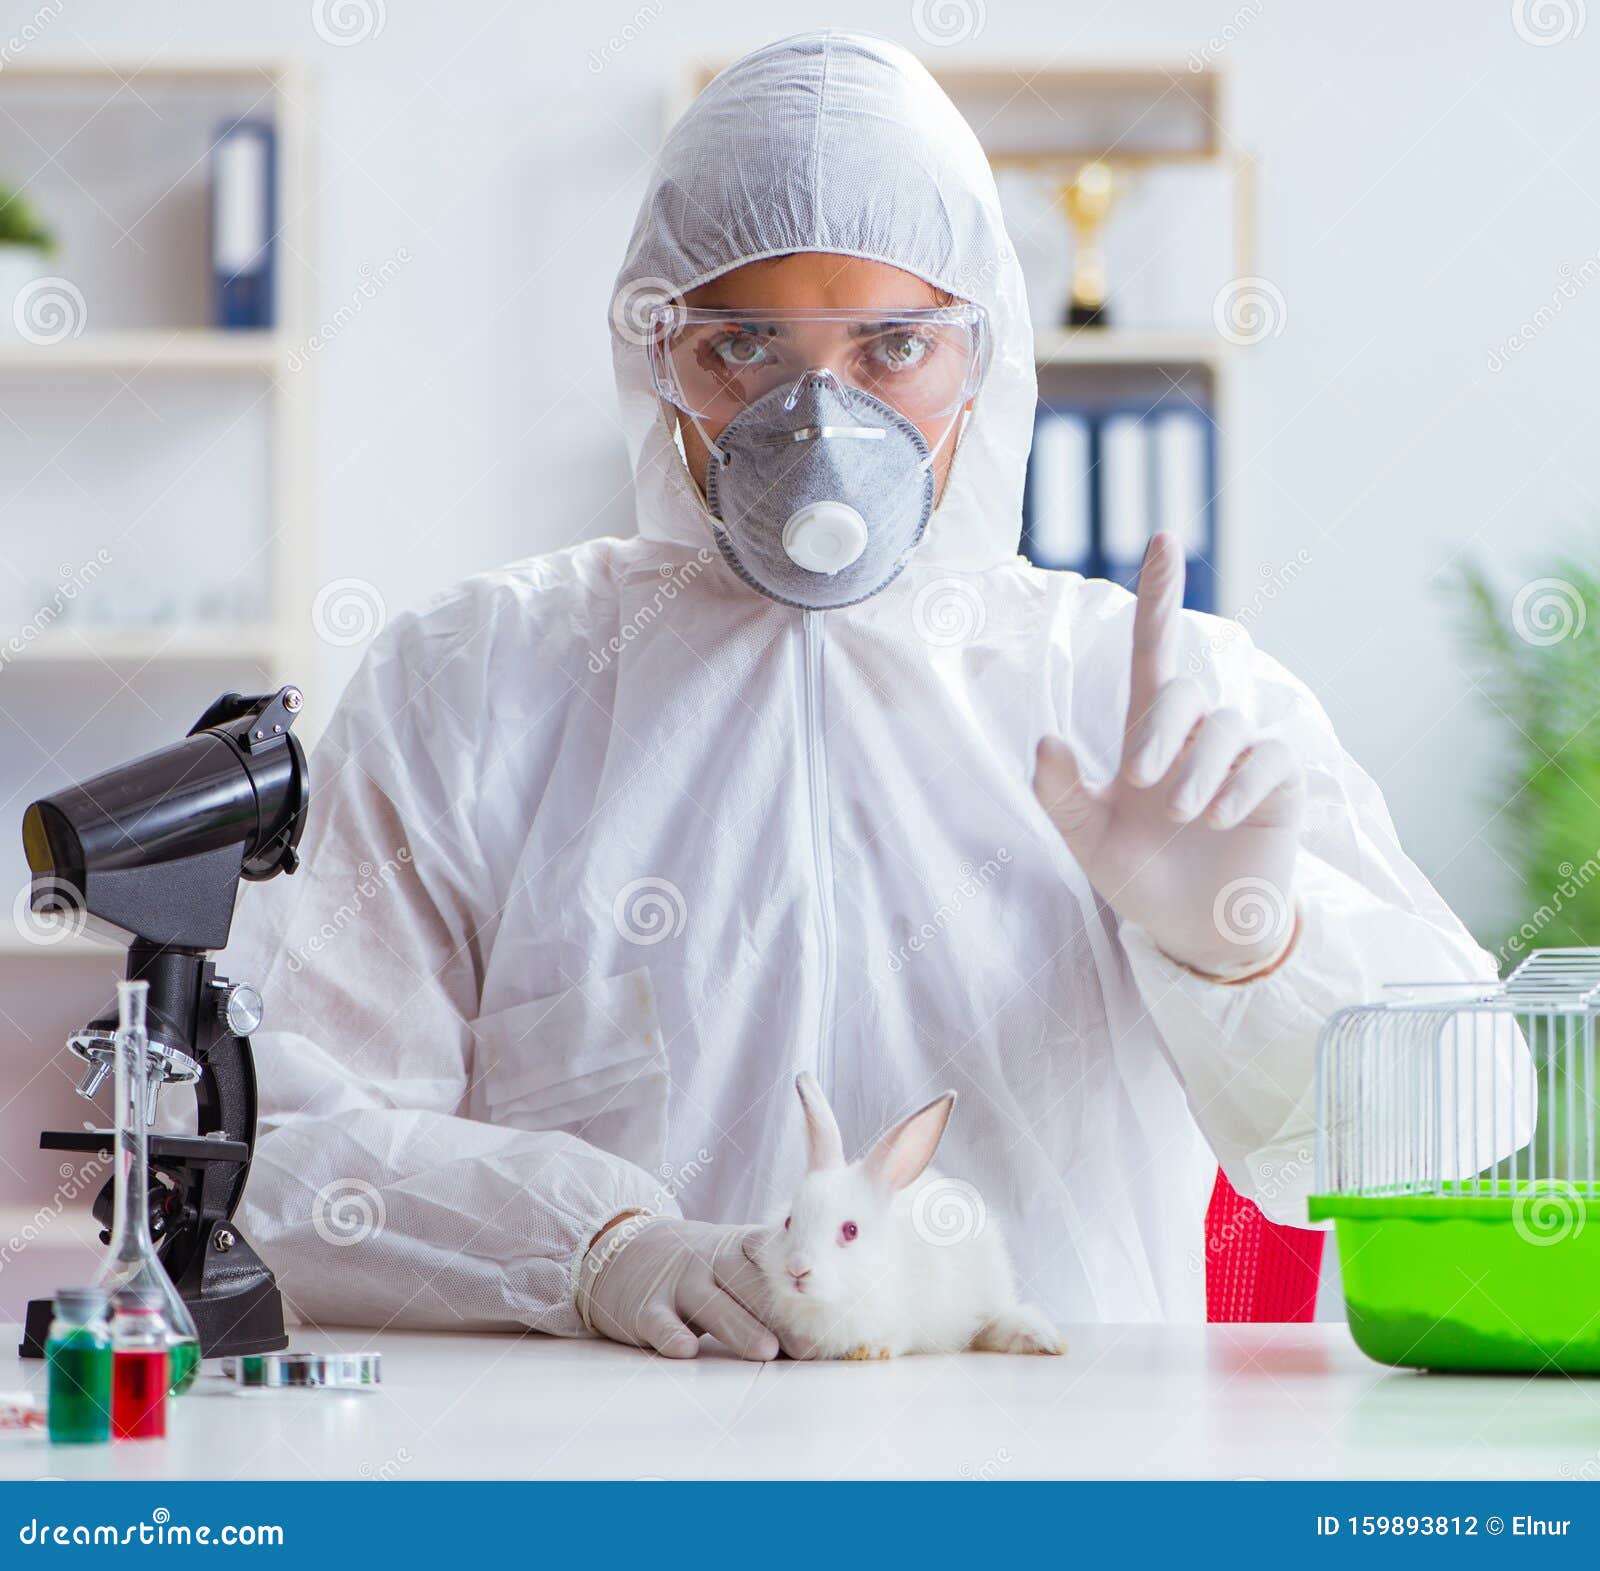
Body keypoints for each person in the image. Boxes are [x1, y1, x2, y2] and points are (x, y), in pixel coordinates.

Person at [229, 31, 1491, 1358]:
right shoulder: (476, 683)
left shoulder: (1147, 696)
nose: (819, 420)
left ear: (981, 361)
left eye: (893, 346)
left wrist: (1251, 951)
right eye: (744, 349)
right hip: (606, 1477)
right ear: (658, 358)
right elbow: (278, 1143)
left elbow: (1464, 1123)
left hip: (1066, 1479)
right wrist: (593, 1248)